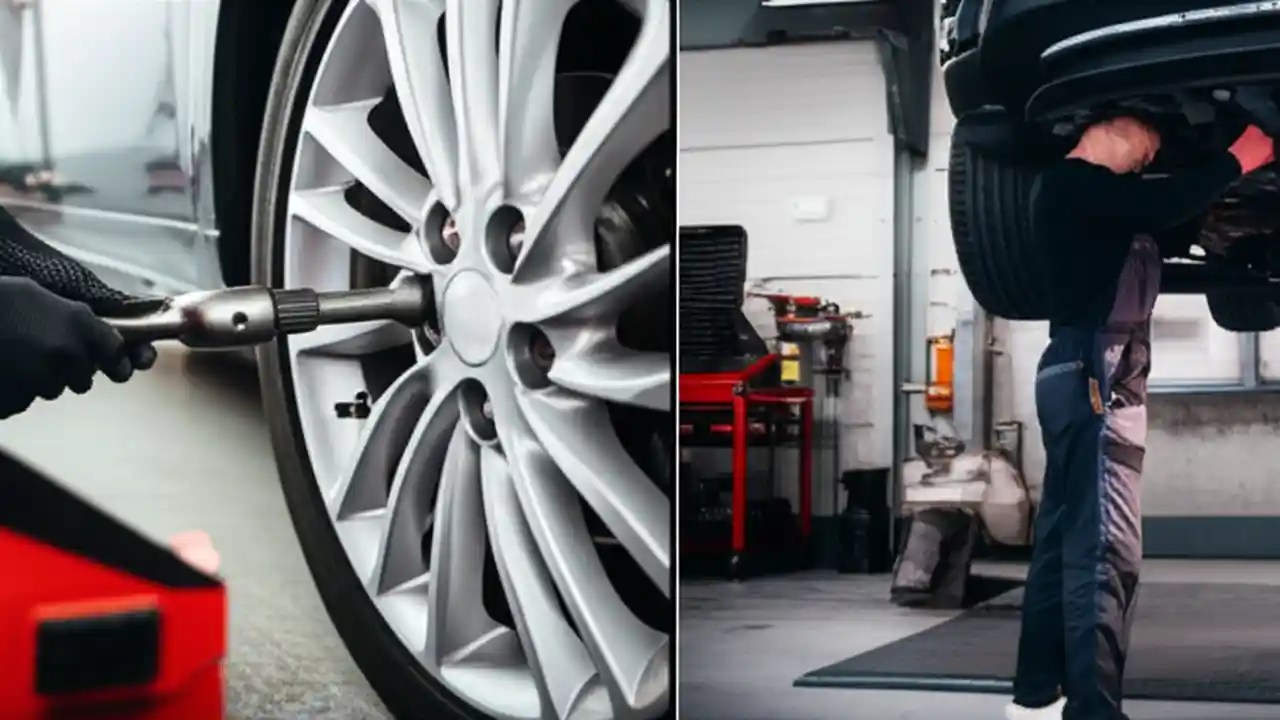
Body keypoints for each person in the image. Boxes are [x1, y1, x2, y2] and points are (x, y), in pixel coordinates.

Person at [1006, 117, 1275, 720]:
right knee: (1106, 548)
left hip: (1078, 373)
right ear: (1112, 126)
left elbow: (1168, 216)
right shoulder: (1071, 181)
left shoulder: (1093, 203)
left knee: (1060, 539)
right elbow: (1161, 200)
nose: (1143, 162)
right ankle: (1095, 712)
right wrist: (1238, 158)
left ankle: (1034, 693)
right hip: (1097, 373)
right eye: (1146, 149)